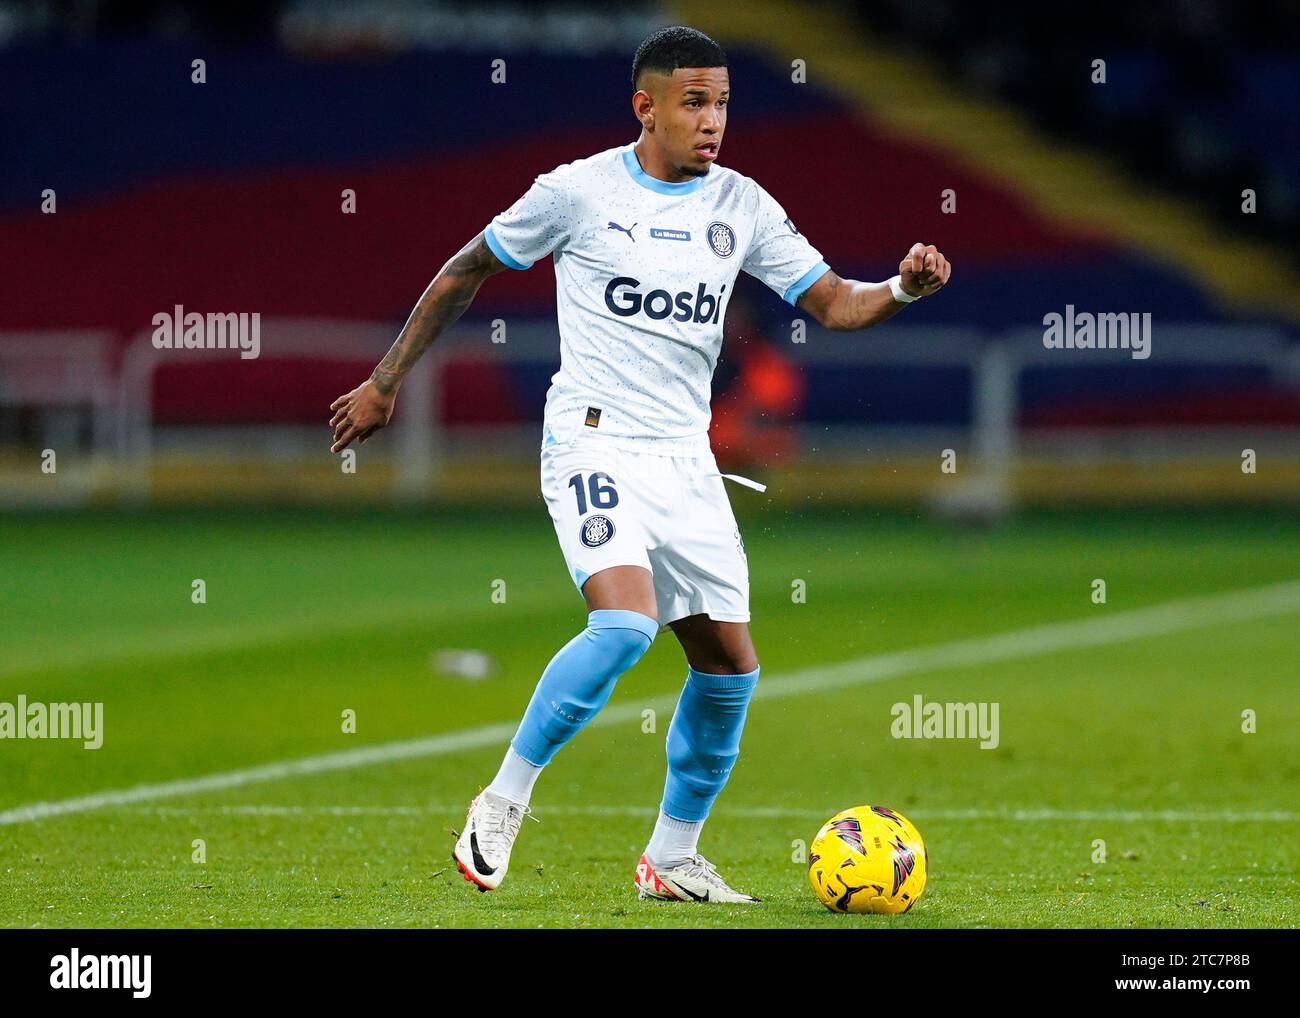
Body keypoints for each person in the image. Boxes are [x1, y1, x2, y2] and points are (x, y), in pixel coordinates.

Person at [328, 25, 950, 904]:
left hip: (685, 461)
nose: (713, 122)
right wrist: (385, 383)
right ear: (645, 106)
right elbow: (466, 269)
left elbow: (835, 303)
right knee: (624, 628)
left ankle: (671, 857)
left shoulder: (742, 206)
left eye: (724, 102)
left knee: (730, 668)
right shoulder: (574, 192)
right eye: (694, 102)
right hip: (593, 439)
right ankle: (503, 800)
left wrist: (900, 289)